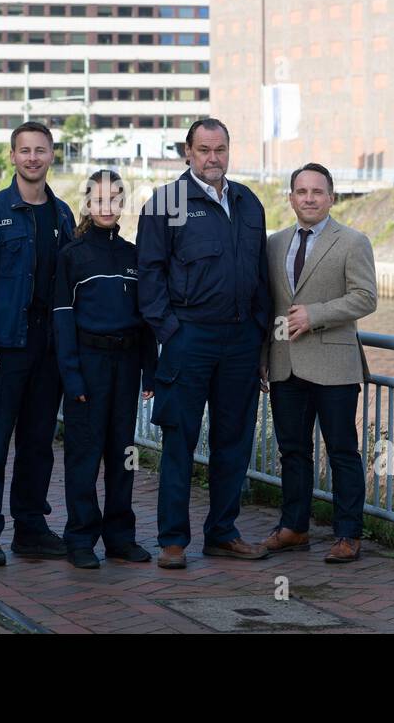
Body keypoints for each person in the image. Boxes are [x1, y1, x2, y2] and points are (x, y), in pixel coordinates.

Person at [137, 118, 272, 569]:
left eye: (220, 149)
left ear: (229, 151)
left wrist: (259, 336)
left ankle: (222, 533)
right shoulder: (168, 202)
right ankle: (172, 541)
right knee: (179, 441)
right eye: (204, 150)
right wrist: (171, 334)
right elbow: (149, 276)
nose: (213, 158)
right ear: (188, 154)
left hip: (239, 342)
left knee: (233, 442)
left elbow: (260, 277)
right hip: (188, 337)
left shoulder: (248, 202)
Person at [0, 121, 76, 567]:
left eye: (40, 150)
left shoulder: (63, 215)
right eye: (24, 151)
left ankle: (30, 529)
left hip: (47, 352)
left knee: (37, 444)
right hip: (2, 349)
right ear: (12, 156)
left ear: (51, 155)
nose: (32, 158)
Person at [260, 163, 377, 563]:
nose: (309, 198)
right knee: (292, 451)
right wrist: (263, 358)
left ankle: (348, 534)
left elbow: (365, 297)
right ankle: (294, 527)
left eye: (317, 192)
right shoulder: (274, 243)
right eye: (301, 191)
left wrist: (316, 313)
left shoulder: (353, 241)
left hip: (334, 365)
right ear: (290, 197)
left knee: (343, 451)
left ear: (331, 197)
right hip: (284, 364)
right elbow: (270, 307)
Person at [52, 169, 157, 569]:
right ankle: (80, 538)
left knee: (123, 453)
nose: (106, 206)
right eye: (97, 200)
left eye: (114, 198)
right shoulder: (71, 257)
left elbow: (146, 318)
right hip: (88, 365)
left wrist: (150, 370)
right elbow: (63, 322)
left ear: (121, 203)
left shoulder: (134, 255)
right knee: (84, 454)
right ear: (86, 204)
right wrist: (72, 376)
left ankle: (120, 537)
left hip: (127, 365)